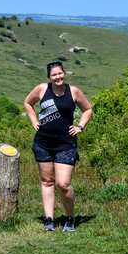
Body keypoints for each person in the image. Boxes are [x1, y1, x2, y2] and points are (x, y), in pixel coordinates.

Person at [24, 61, 92, 233]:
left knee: (63, 184)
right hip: (43, 143)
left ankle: (70, 218)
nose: (58, 77)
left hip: (66, 144)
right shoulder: (42, 89)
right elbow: (27, 103)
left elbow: (88, 109)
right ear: (49, 77)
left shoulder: (73, 91)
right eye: (54, 75)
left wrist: (80, 126)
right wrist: (34, 121)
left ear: (64, 73)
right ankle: (49, 220)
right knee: (47, 181)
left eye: (60, 73)